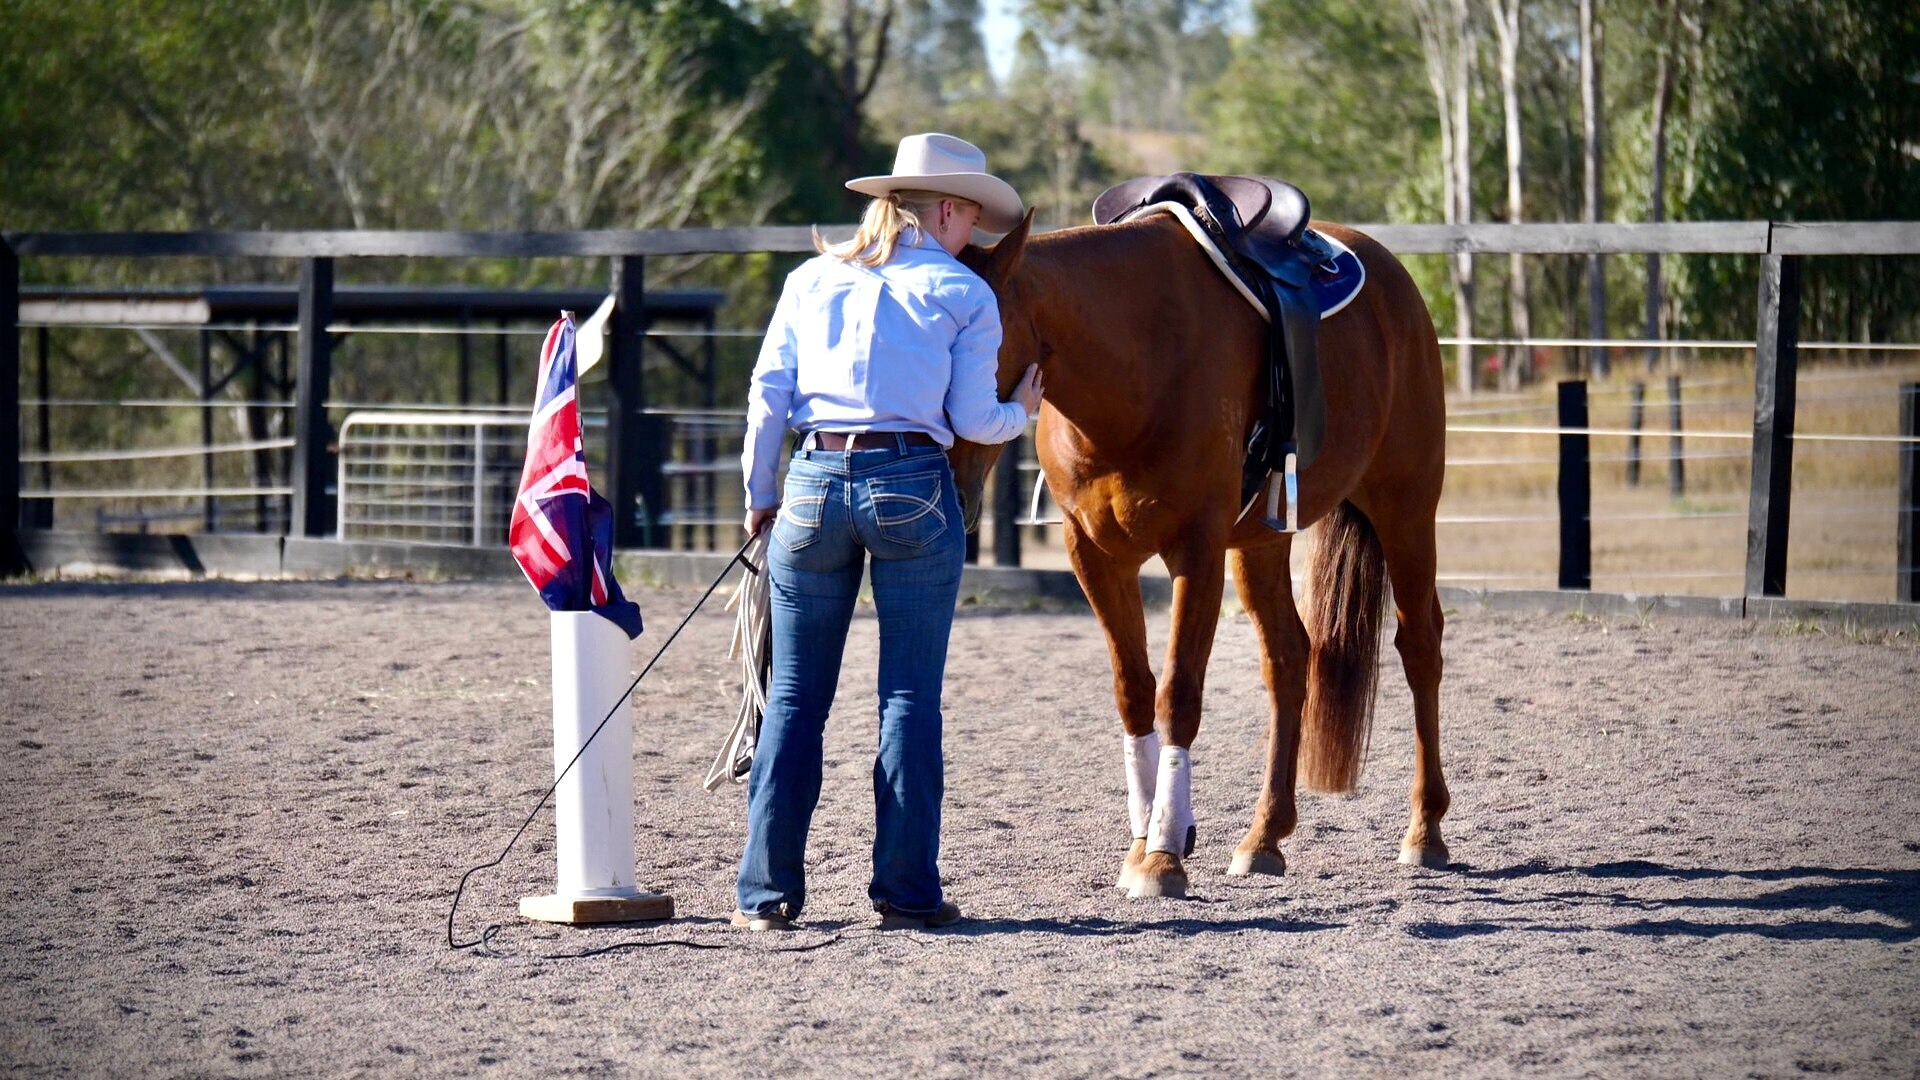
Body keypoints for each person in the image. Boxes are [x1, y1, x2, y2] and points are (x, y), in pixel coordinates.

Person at [734, 133, 1044, 932]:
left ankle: (766, 894)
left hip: (811, 481)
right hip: (911, 483)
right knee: (907, 697)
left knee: (796, 697)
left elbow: (768, 394)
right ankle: (905, 893)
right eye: (969, 218)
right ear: (944, 208)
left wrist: (760, 493)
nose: (971, 235)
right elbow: (973, 417)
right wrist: (1025, 412)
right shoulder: (964, 294)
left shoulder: (810, 278)